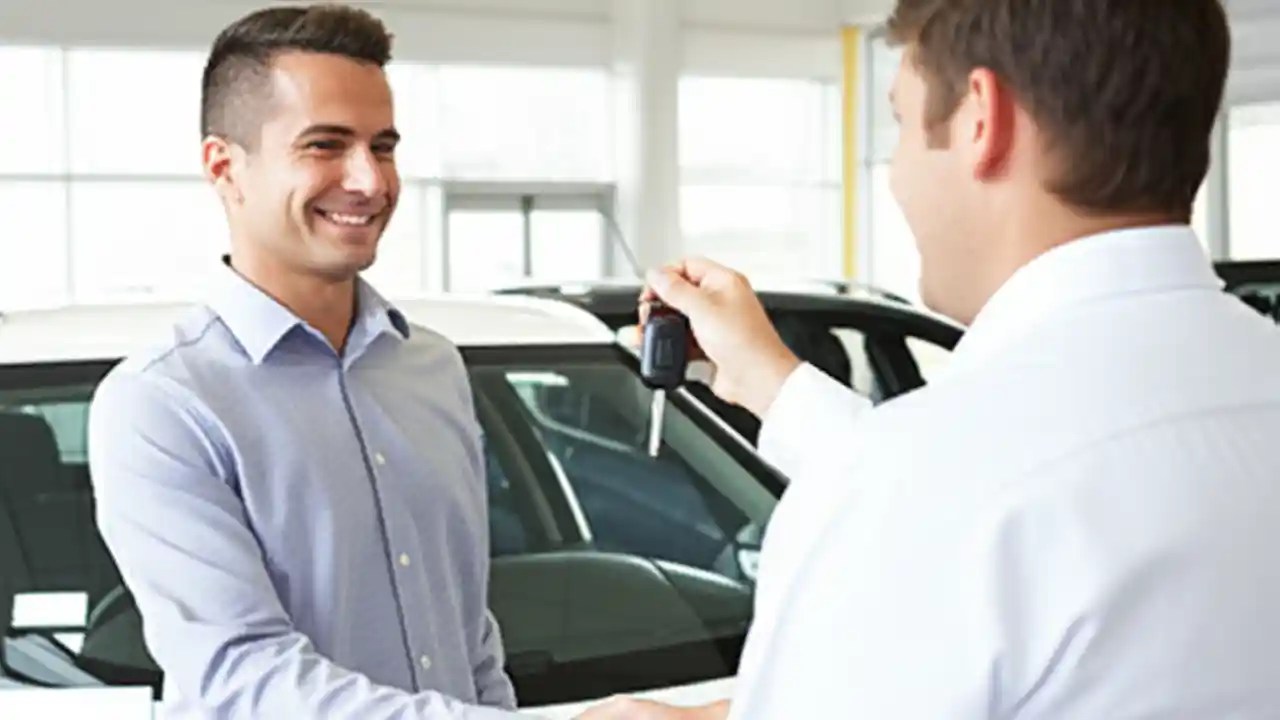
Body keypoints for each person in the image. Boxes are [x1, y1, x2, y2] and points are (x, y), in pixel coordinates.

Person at [580, 0, 1280, 718]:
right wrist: (769, 381)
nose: (896, 175)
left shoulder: (918, 489)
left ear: (981, 119)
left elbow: (938, 495)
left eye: (902, 123)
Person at [87, 5, 525, 718]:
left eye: (383, 147)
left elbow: (470, 634)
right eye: (326, 145)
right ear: (225, 167)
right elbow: (243, 677)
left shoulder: (434, 368)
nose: (370, 181)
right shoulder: (162, 404)